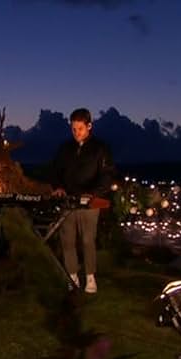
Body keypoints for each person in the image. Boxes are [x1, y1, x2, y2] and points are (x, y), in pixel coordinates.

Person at [50, 108, 114, 294]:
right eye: (73, 129)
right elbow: (55, 171)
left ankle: (90, 278)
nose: (76, 132)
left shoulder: (100, 148)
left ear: (89, 126)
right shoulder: (65, 148)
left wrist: (93, 193)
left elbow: (107, 175)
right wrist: (58, 187)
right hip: (67, 201)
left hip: (89, 202)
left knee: (87, 241)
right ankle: (72, 277)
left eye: (80, 128)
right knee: (68, 241)